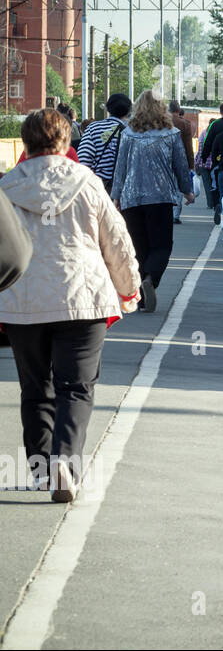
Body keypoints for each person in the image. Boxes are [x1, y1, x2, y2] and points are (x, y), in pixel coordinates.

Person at [0, 109, 140, 501]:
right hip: (83, 301)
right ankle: (66, 462)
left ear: (25, 144)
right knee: (76, 387)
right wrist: (129, 290)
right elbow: (116, 240)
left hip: (23, 302)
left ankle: (42, 468)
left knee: (35, 386)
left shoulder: (6, 188)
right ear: (66, 142)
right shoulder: (87, 182)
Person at [111, 90, 194, 312]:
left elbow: (121, 168)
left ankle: (142, 297)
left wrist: (116, 196)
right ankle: (151, 280)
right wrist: (188, 191)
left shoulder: (128, 133)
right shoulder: (171, 134)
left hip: (132, 198)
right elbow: (181, 166)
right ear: (161, 108)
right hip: (160, 197)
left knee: (138, 248)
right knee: (162, 245)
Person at [76, 93, 132, 193]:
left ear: (108, 108)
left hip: (98, 189)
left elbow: (83, 161)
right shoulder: (130, 132)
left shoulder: (93, 128)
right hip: (124, 191)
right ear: (128, 111)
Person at [196, 102, 223, 217]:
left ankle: (218, 204)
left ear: (220, 112)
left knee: (217, 184)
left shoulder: (214, 125)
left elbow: (208, 141)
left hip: (217, 160)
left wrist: (203, 157)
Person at [0, 188, 32, 292]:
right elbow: (15, 255)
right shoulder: (82, 186)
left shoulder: (8, 183)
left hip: (11, 299)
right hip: (69, 295)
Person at [168, 100, 195, 224]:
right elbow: (188, 146)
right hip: (180, 159)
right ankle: (175, 215)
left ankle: (166, 211)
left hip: (163, 160)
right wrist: (191, 165)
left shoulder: (160, 122)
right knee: (178, 188)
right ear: (179, 111)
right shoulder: (185, 124)